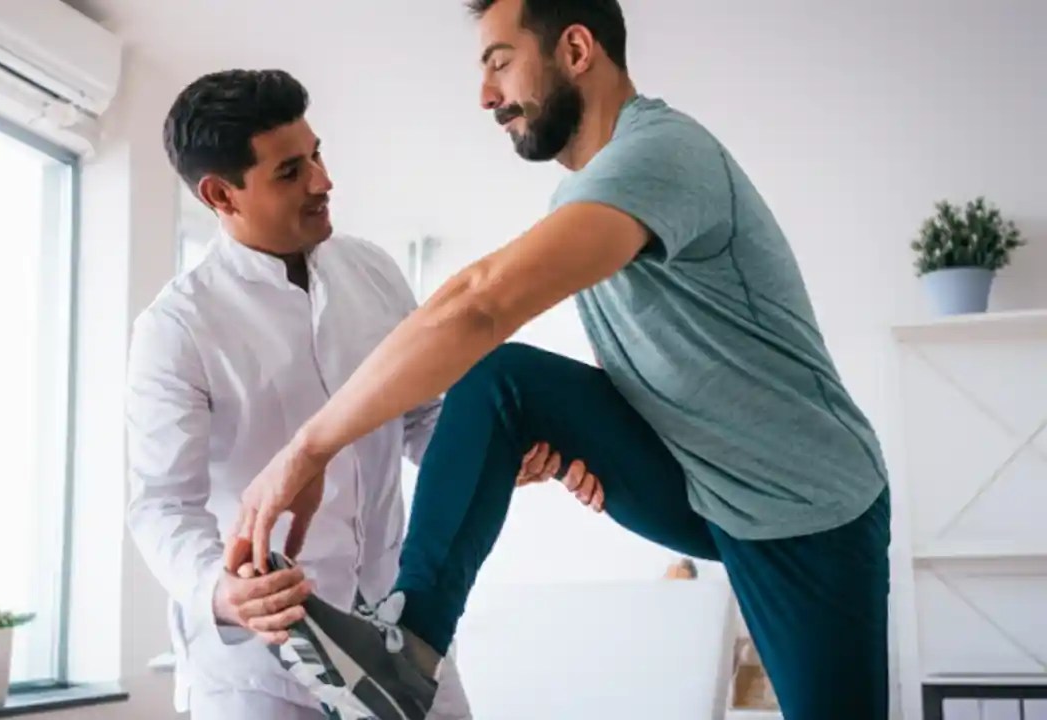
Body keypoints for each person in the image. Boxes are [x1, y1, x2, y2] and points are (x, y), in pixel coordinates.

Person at [227, 2, 892, 720]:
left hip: (807, 507)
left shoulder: (660, 156)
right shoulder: (583, 190)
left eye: (500, 62)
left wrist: (307, 448)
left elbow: (479, 303)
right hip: (707, 485)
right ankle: (410, 648)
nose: (486, 96)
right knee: (504, 384)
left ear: (576, 49)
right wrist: (588, 440)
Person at [126, 67, 599, 720]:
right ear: (221, 195)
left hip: (396, 632)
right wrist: (220, 590)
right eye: (290, 172)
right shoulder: (176, 327)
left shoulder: (372, 270)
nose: (323, 181)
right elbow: (160, 505)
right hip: (256, 670)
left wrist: (491, 458)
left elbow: (422, 417)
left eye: (316, 154)